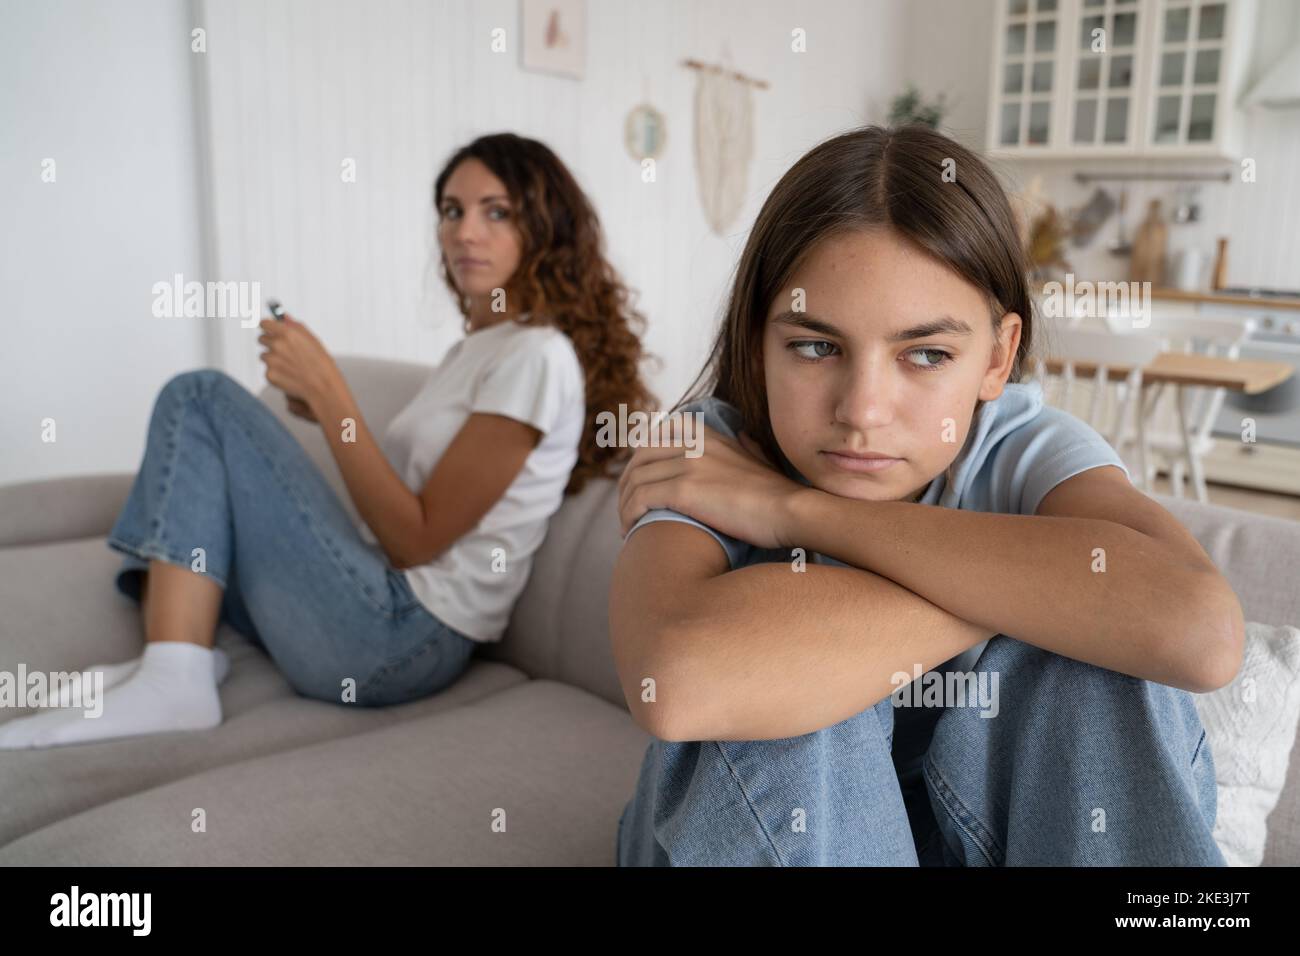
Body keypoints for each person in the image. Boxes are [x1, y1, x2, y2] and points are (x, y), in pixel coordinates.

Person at [610, 124, 1245, 865]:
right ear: (758, 339)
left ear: (997, 358)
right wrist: (1043, 595)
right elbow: (675, 682)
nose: (862, 411)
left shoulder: (1021, 449)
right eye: (815, 346)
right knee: (791, 683)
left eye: (926, 355)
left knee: (1093, 674)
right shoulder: (709, 451)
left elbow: (1202, 636)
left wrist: (800, 512)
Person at [0, 132, 655, 749]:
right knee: (207, 462)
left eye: (497, 212)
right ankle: (173, 660)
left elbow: (417, 537)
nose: (464, 231)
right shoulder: (477, 350)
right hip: (372, 603)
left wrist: (333, 398)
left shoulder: (537, 356)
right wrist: (322, 409)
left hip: (404, 635)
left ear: (547, 232)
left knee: (200, 396)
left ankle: (175, 679)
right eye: (452, 210)